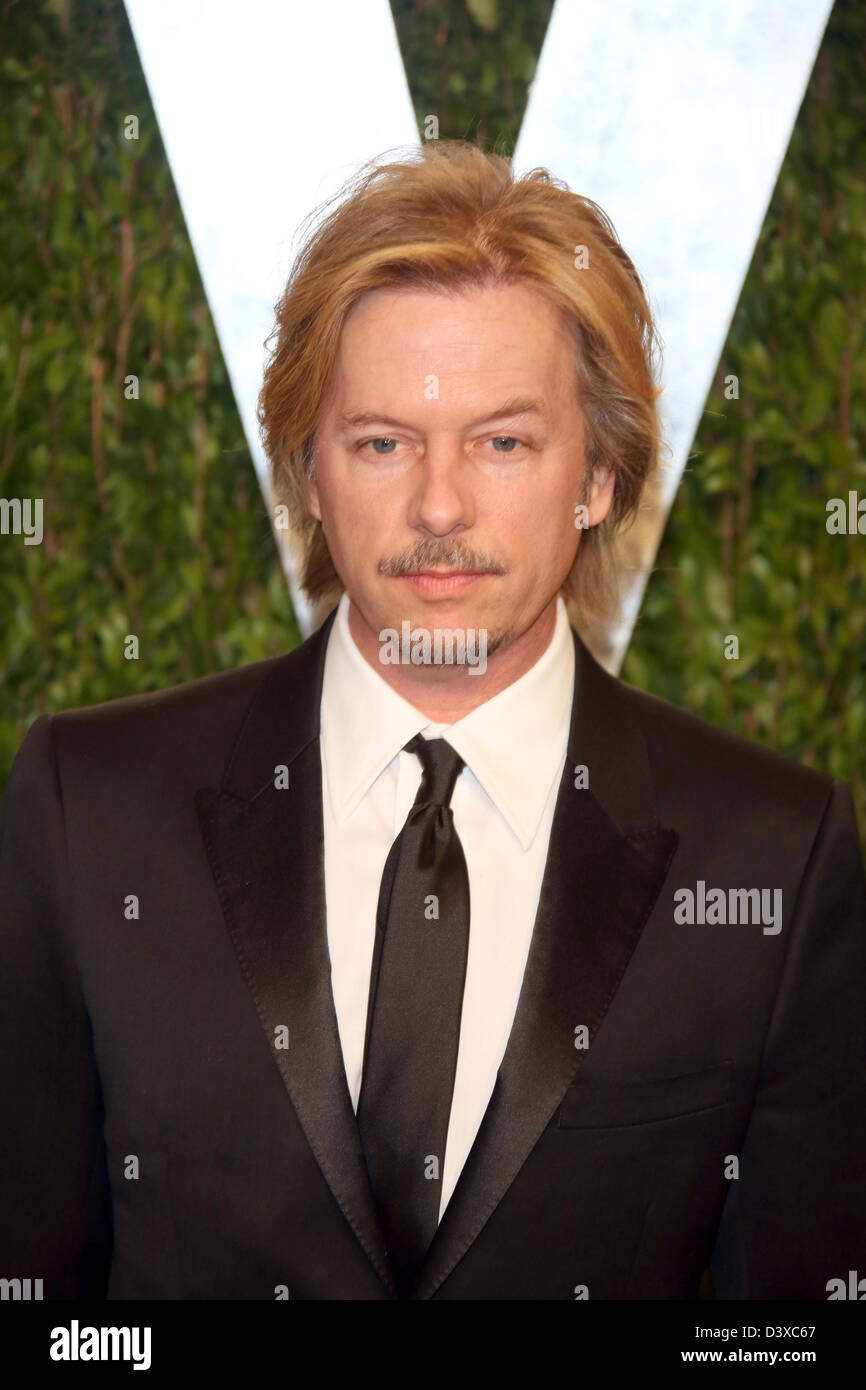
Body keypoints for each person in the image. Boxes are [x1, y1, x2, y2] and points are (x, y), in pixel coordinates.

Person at [1, 140, 864, 1301]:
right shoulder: (86, 806)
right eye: (381, 443)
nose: (439, 504)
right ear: (309, 470)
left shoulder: (773, 852)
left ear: (598, 477)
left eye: (502, 441)